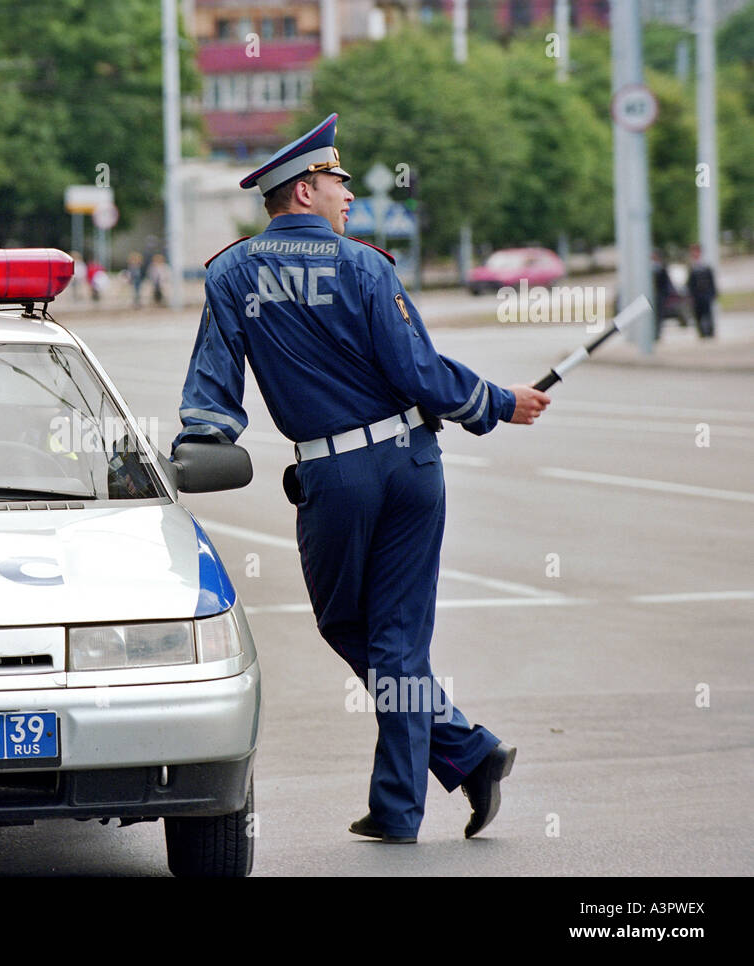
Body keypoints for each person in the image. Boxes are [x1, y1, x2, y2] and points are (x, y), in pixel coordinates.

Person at [170, 113, 550, 843]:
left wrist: (204, 441)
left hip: (334, 477)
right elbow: (418, 373)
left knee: (356, 627)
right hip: (411, 466)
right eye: (338, 182)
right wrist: (498, 402)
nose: (349, 195)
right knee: (393, 640)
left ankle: (402, 808)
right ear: (304, 190)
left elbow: (214, 385)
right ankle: (467, 755)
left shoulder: (231, 272)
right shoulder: (368, 267)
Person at [687, 244, 718, 339]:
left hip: (706, 294)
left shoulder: (705, 266)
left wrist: (713, 293)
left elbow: (711, 281)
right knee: (698, 315)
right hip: (696, 296)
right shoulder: (691, 267)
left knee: (708, 314)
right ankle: (702, 333)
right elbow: (689, 283)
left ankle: (710, 332)